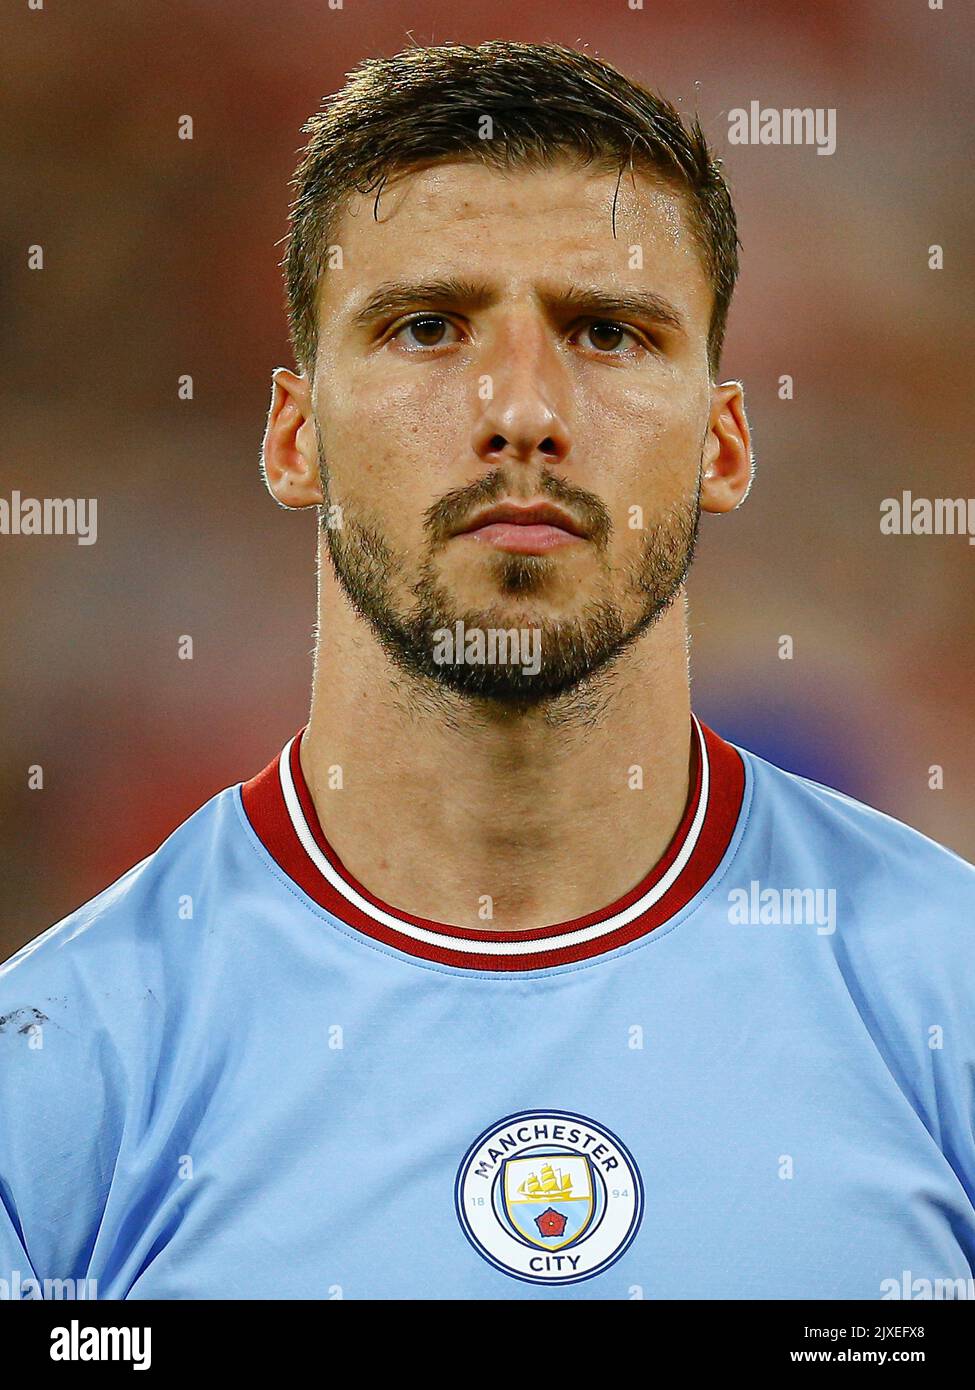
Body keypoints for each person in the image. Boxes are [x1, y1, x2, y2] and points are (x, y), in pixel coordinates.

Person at [2, 41, 973, 1302]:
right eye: (426, 327)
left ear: (724, 447)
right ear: (296, 437)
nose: (521, 410)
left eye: (608, 332)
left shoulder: (944, 997)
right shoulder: (64, 1069)